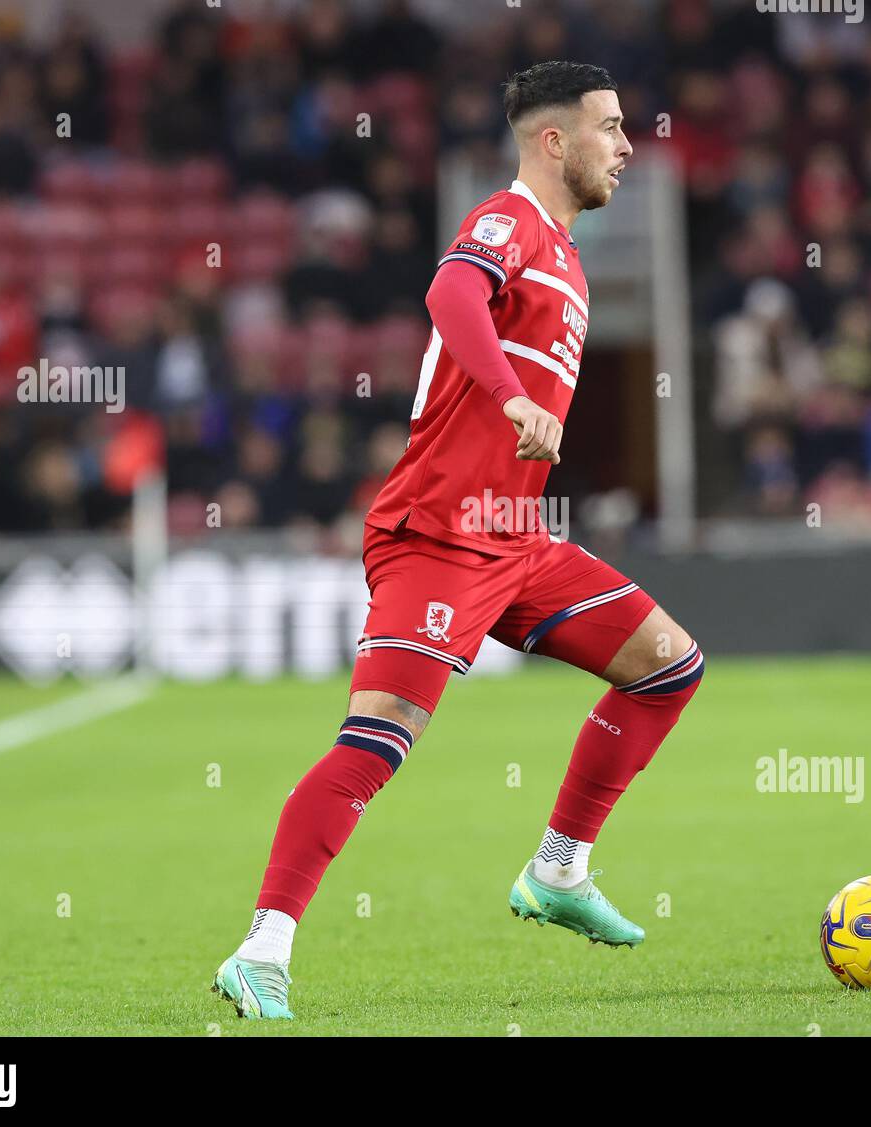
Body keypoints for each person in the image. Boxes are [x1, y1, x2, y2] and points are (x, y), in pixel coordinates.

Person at [212, 61, 703, 1020]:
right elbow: (450, 297)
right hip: (437, 532)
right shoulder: (508, 220)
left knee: (668, 665)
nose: (627, 143)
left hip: (513, 538)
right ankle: (262, 948)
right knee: (376, 742)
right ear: (553, 140)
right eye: (609, 126)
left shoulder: (565, 255)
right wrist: (513, 395)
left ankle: (560, 867)